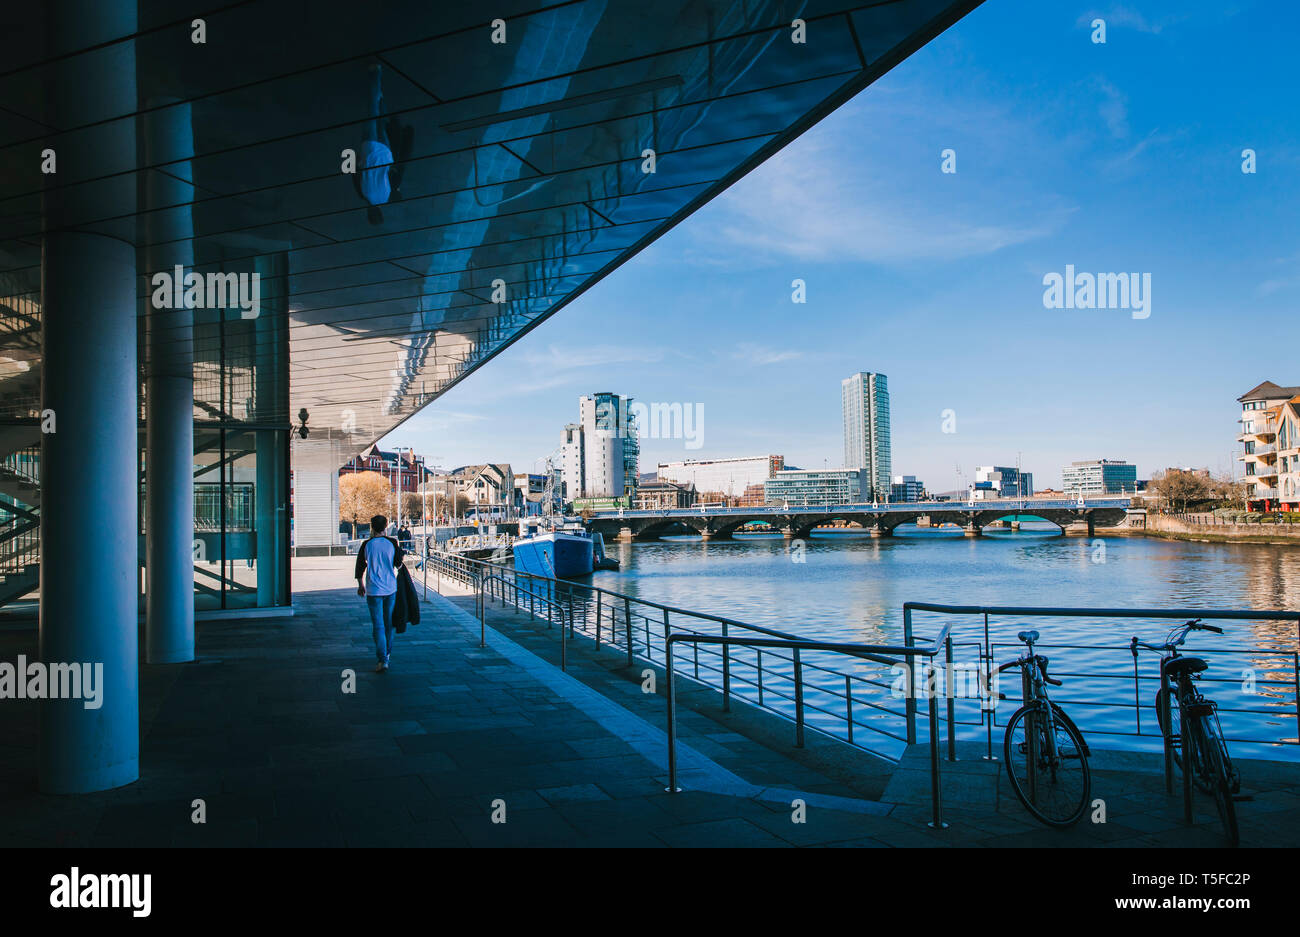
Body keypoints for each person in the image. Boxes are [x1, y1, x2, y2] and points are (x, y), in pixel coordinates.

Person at [353, 63, 414, 225]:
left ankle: (379, 89)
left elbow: (395, 172)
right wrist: (354, 157)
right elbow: (354, 172)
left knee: (381, 119)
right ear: (368, 213)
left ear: (381, 212)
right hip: (369, 147)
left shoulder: (388, 195)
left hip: (385, 150)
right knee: (372, 112)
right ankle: (375, 74)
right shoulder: (362, 194)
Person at [355, 513, 404, 672]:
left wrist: (360, 584)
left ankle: (382, 659)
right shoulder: (392, 543)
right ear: (385, 526)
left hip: (373, 589)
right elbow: (398, 564)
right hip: (390, 588)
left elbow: (360, 566)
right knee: (388, 623)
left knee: (378, 625)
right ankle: (387, 655)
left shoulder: (367, 544)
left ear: (372, 527)